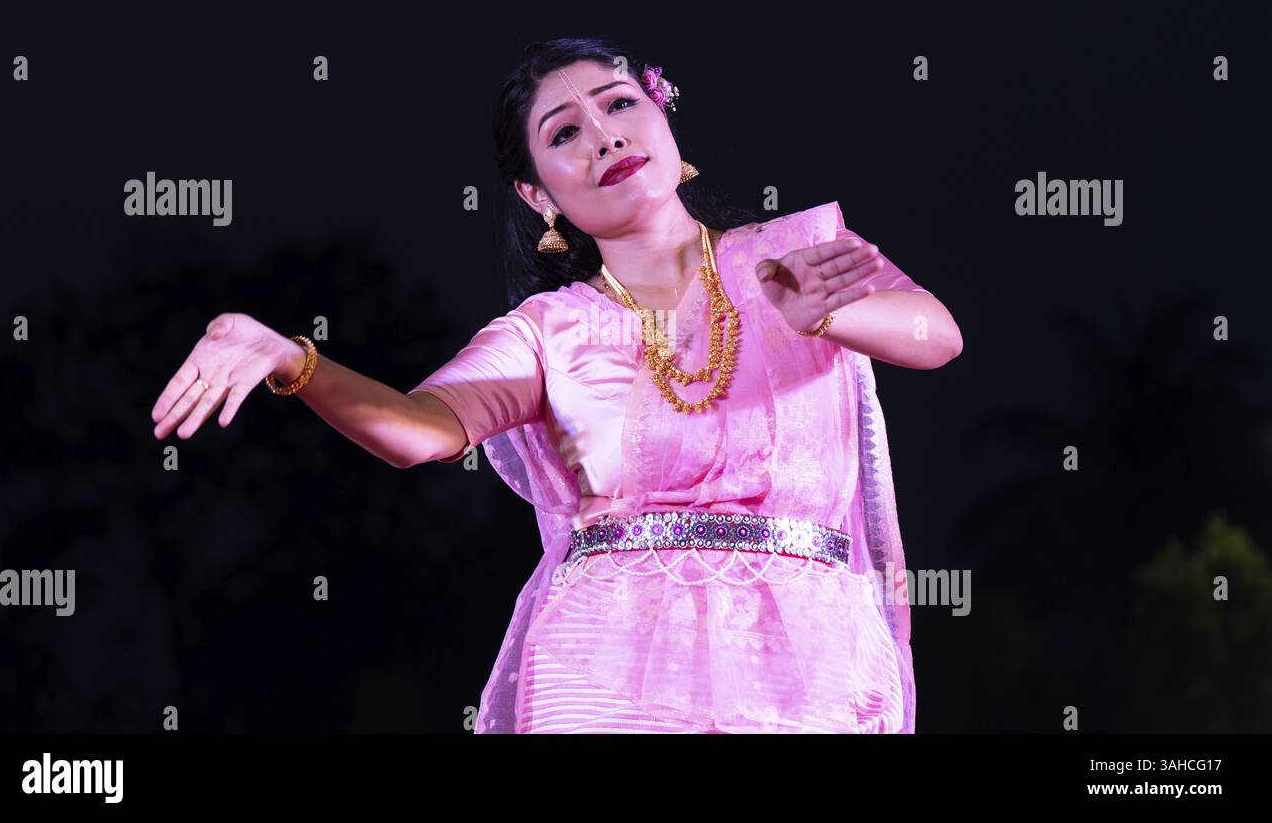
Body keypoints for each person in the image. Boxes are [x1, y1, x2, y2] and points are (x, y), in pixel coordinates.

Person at [150, 37, 963, 735]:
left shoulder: (792, 257)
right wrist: (293, 359)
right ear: (538, 195)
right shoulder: (549, 332)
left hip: (807, 666)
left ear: (664, 120)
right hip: (606, 671)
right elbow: (418, 431)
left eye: (619, 105)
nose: (605, 138)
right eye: (565, 133)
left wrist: (829, 316)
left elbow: (938, 336)